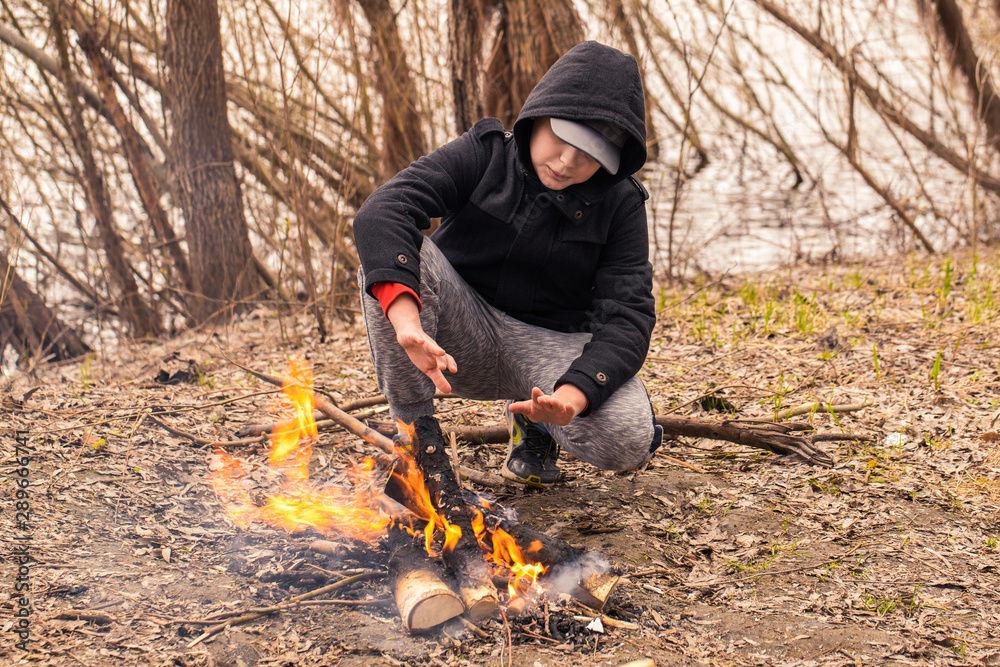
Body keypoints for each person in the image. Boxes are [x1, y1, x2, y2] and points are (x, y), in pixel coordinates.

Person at [353, 40, 662, 488]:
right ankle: (417, 441)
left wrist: (571, 396)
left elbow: (629, 315)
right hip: (456, 336)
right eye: (562, 139)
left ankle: (536, 425)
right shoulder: (486, 152)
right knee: (397, 251)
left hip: (549, 350)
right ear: (539, 116)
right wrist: (407, 322)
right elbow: (384, 210)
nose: (567, 163)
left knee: (629, 440)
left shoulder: (622, 204)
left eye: (590, 156)